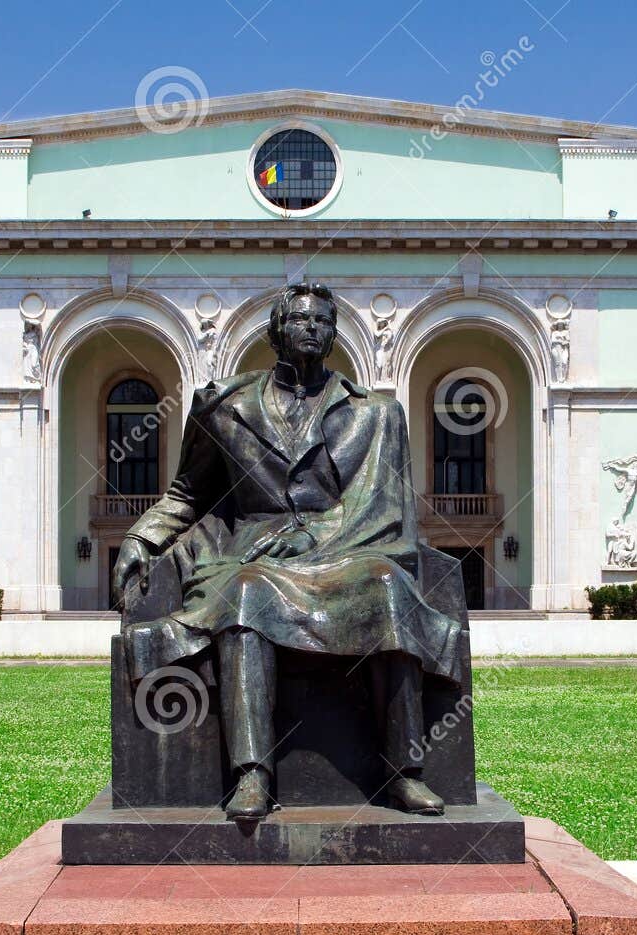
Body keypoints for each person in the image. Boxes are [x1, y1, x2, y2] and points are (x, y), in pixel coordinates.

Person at [113, 283, 462, 823]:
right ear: (276, 331)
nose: (312, 328)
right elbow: (187, 494)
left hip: (349, 552)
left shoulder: (375, 415)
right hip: (250, 556)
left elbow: (384, 509)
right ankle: (253, 774)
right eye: (300, 319)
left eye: (324, 321)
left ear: (335, 333)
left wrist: (316, 536)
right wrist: (141, 538)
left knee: (389, 588)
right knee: (246, 594)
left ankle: (404, 772)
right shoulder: (225, 407)